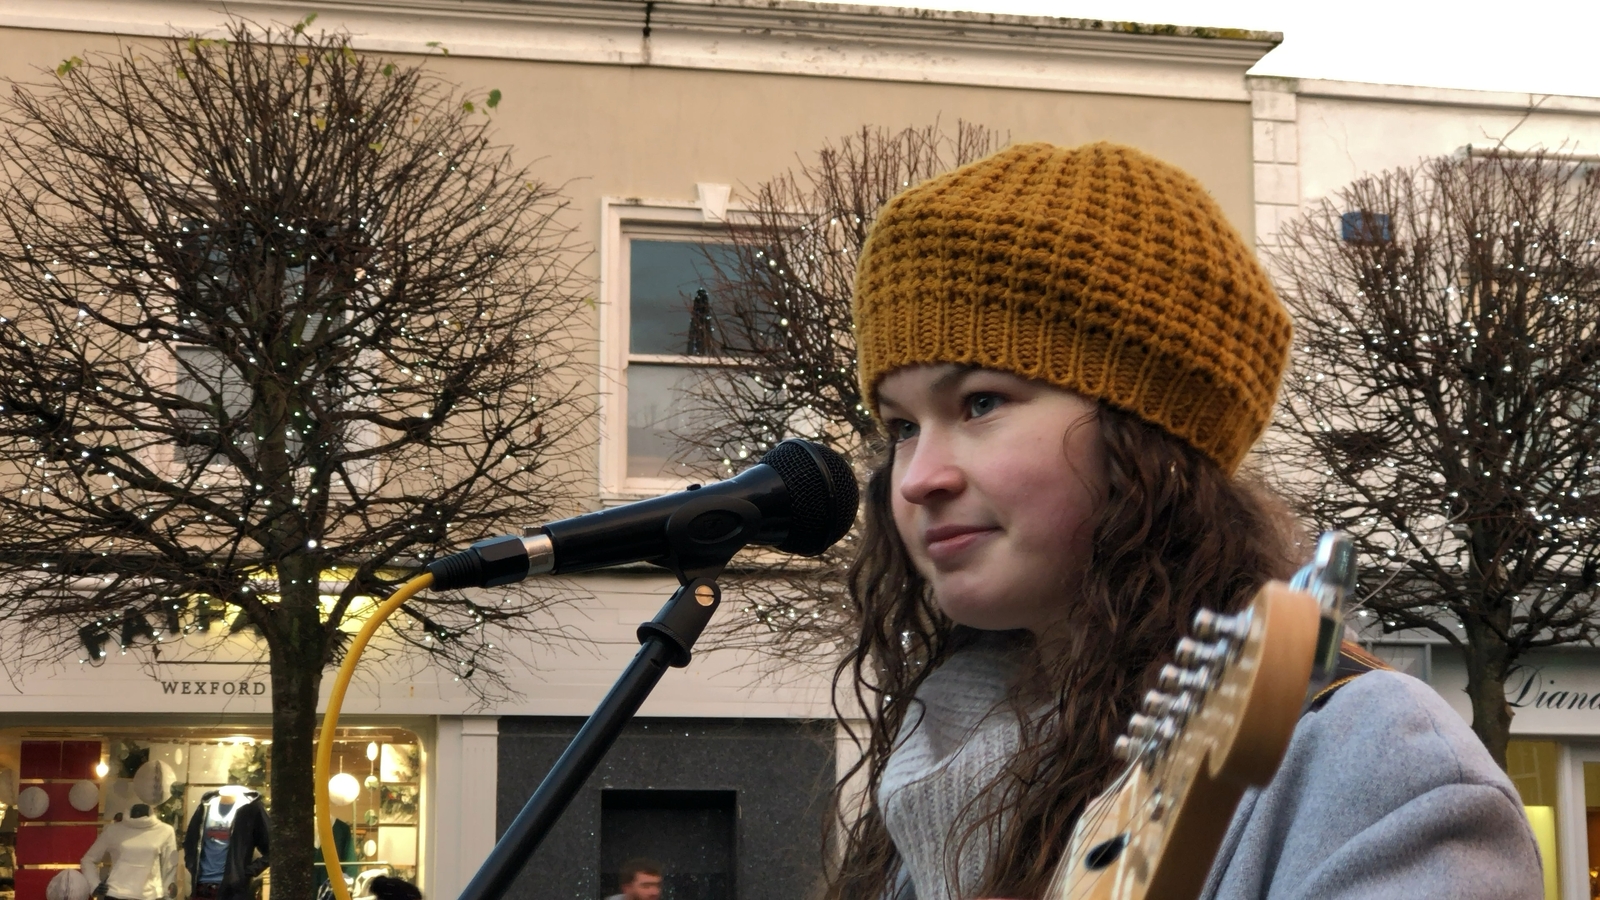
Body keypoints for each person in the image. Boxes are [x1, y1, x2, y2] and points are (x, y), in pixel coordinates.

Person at [829, 141, 1543, 900]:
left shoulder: (1380, 765)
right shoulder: (928, 779)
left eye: (980, 403)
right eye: (901, 427)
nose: (918, 479)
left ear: (1148, 433)